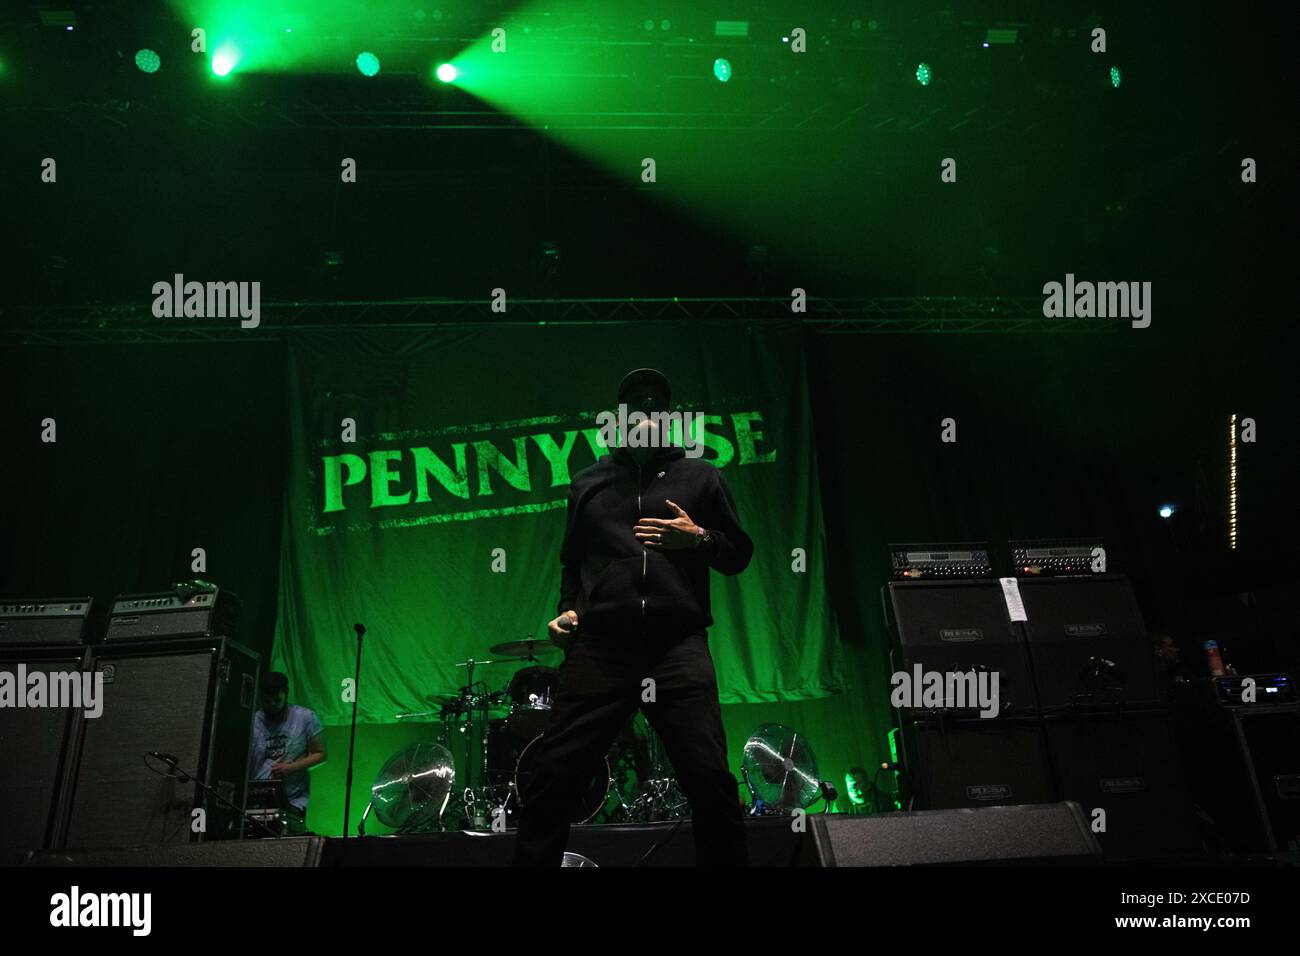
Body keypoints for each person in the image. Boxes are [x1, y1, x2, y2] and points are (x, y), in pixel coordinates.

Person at [512, 368, 754, 866]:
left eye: (655, 402)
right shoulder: (589, 483)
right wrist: (567, 611)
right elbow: (571, 564)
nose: (646, 410)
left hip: (676, 648)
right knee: (553, 775)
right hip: (602, 648)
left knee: (709, 779)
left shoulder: (701, 476)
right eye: (634, 404)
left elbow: (738, 554)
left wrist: (699, 539)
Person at [249, 671, 326, 824]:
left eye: (277, 700)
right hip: (258, 797)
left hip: (294, 800)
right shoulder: (253, 721)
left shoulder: (305, 718)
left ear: (286, 694)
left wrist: (291, 768)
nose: (272, 705)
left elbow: (321, 754)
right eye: (266, 701)